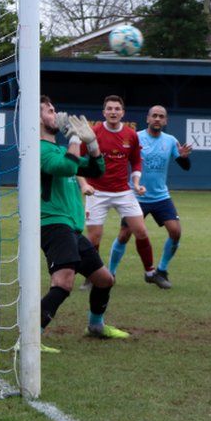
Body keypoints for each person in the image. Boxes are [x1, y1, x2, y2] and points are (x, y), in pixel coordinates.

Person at [38, 95, 128, 343]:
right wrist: (76, 139)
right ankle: (30, 338)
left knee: (104, 279)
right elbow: (67, 167)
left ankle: (96, 327)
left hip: (71, 226)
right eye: (49, 111)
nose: (56, 115)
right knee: (63, 283)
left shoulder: (58, 148)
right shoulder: (37, 149)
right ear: (35, 120)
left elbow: (97, 169)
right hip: (53, 223)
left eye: (55, 109)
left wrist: (93, 142)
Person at [79, 95, 165, 287]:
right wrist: (84, 185)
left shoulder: (131, 135)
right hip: (97, 192)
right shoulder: (93, 133)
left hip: (123, 192)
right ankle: (92, 275)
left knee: (141, 231)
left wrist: (136, 182)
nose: (113, 112)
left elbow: (135, 161)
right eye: (109, 109)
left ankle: (150, 273)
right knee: (94, 236)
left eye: (117, 109)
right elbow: (77, 162)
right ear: (104, 112)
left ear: (122, 113)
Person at [108, 105, 192, 289]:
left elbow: (185, 166)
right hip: (136, 196)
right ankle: (110, 273)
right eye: (154, 115)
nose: (157, 119)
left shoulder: (170, 141)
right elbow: (121, 160)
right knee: (124, 235)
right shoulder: (135, 137)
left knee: (176, 232)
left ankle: (161, 270)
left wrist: (184, 157)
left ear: (165, 121)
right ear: (147, 118)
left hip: (161, 196)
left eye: (161, 116)